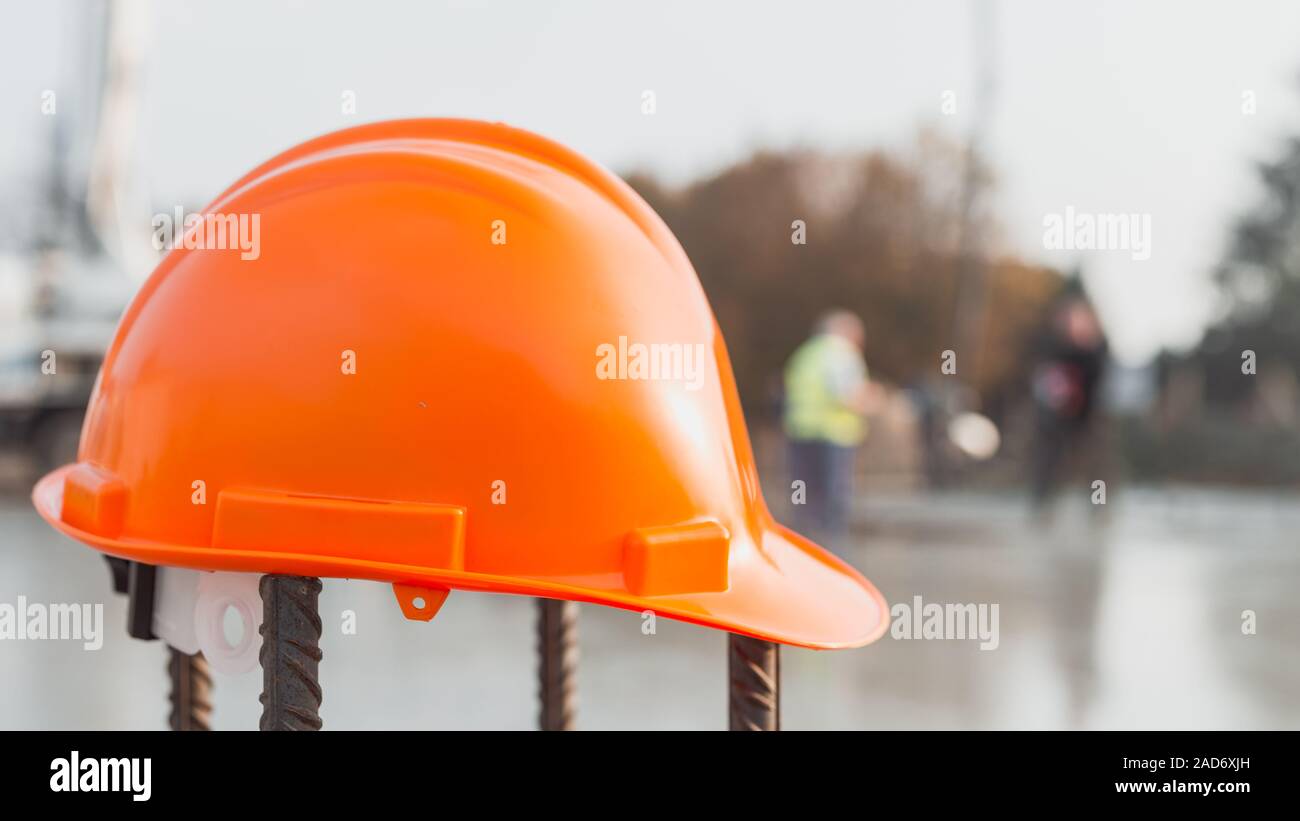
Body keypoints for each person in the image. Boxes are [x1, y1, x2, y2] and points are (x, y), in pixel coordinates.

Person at [783, 309, 876, 548]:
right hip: (834, 434)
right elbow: (846, 395)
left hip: (800, 430)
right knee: (833, 494)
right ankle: (831, 547)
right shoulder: (843, 354)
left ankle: (801, 540)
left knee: (804, 492)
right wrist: (872, 401)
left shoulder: (806, 353)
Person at [1029, 291, 1108, 513]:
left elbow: (1098, 376)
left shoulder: (1096, 349)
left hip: (1088, 416)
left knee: (1095, 465)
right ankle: (1042, 506)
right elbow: (1044, 376)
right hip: (1057, 416)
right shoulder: (1053, 348)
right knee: (1048, 460)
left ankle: (1099, 508)